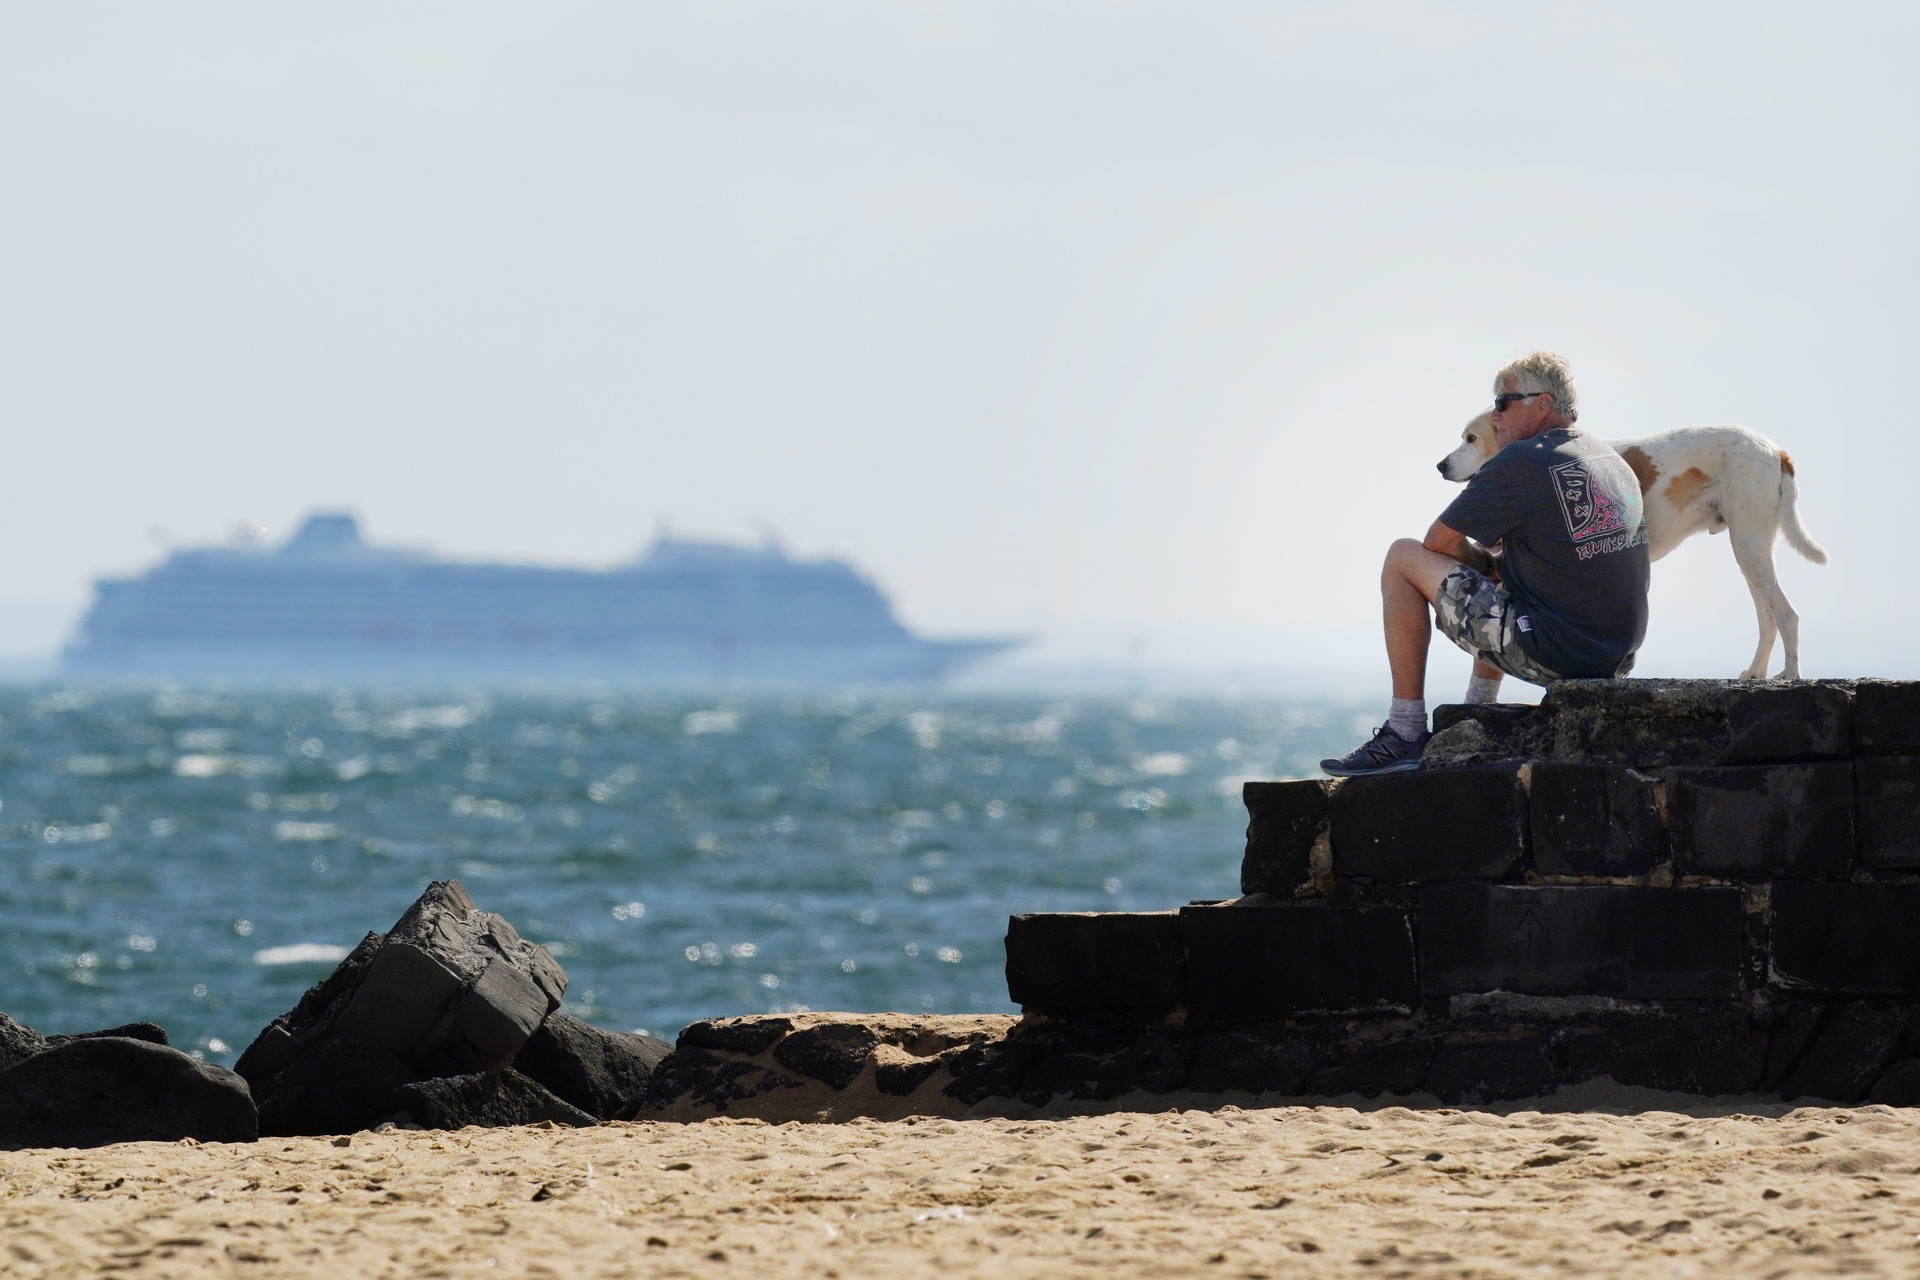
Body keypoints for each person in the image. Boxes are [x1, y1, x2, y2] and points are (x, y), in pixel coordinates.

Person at [1320, 351, 1650, 776]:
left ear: (1542, 404)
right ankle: (1478, 711)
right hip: (1617, 657)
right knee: (1501, 566)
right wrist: (1490, 565)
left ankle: (1404, 732)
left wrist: (1480, 563)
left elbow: (1438, 542)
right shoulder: (1609, 458)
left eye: (1502, 402)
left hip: (1559, 655)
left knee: (1402, 556)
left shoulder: (1524, 458)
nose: (1494, 416)